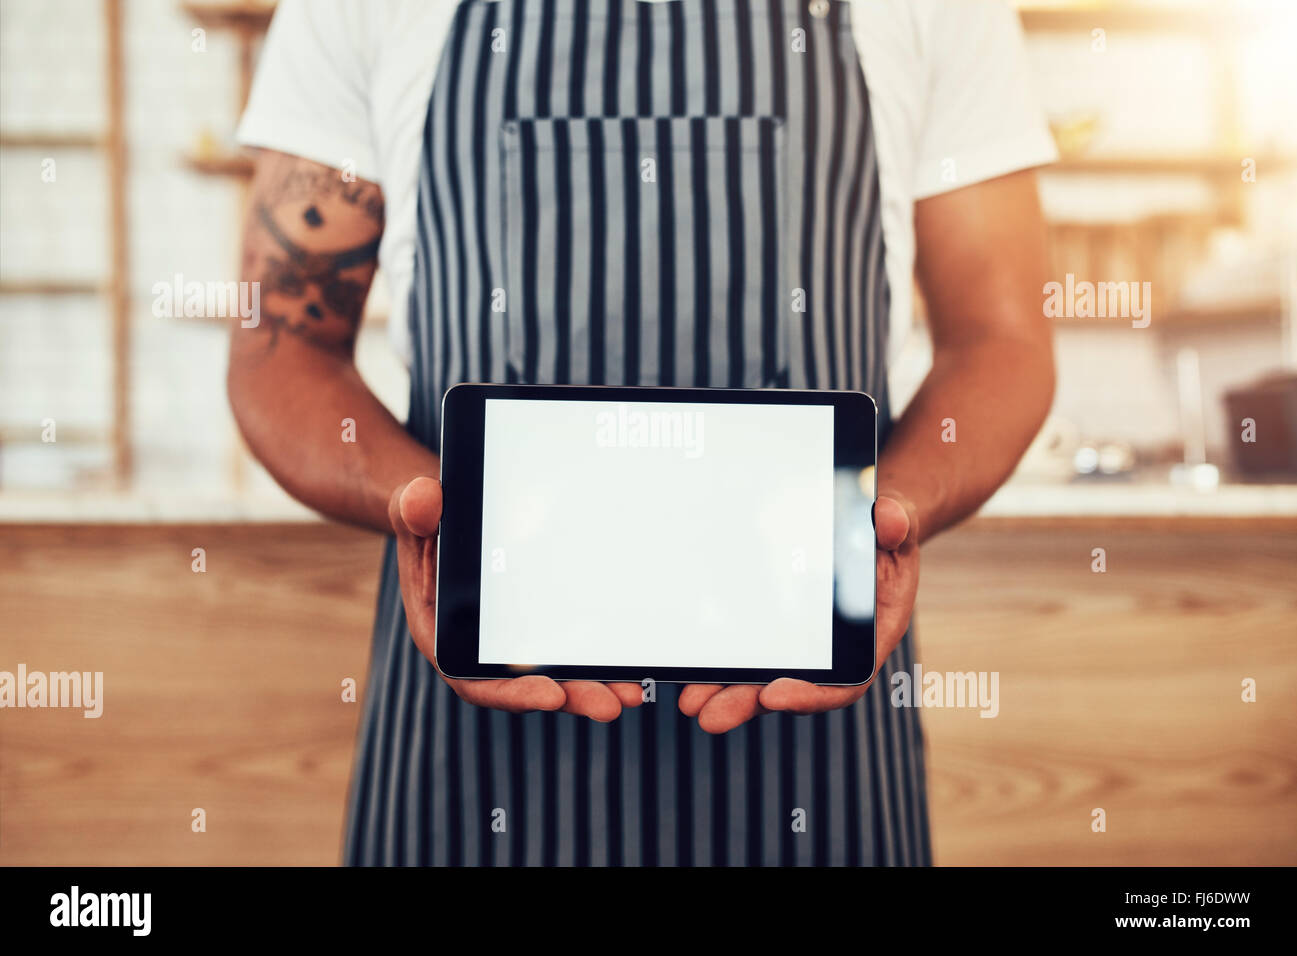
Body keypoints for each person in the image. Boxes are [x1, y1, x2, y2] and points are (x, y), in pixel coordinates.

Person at [229, 0, 1057, 866]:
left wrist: (889, 514)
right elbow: (279, 352)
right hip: (471, 726)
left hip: (812, 740)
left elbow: (1002, 342)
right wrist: (430, 513)